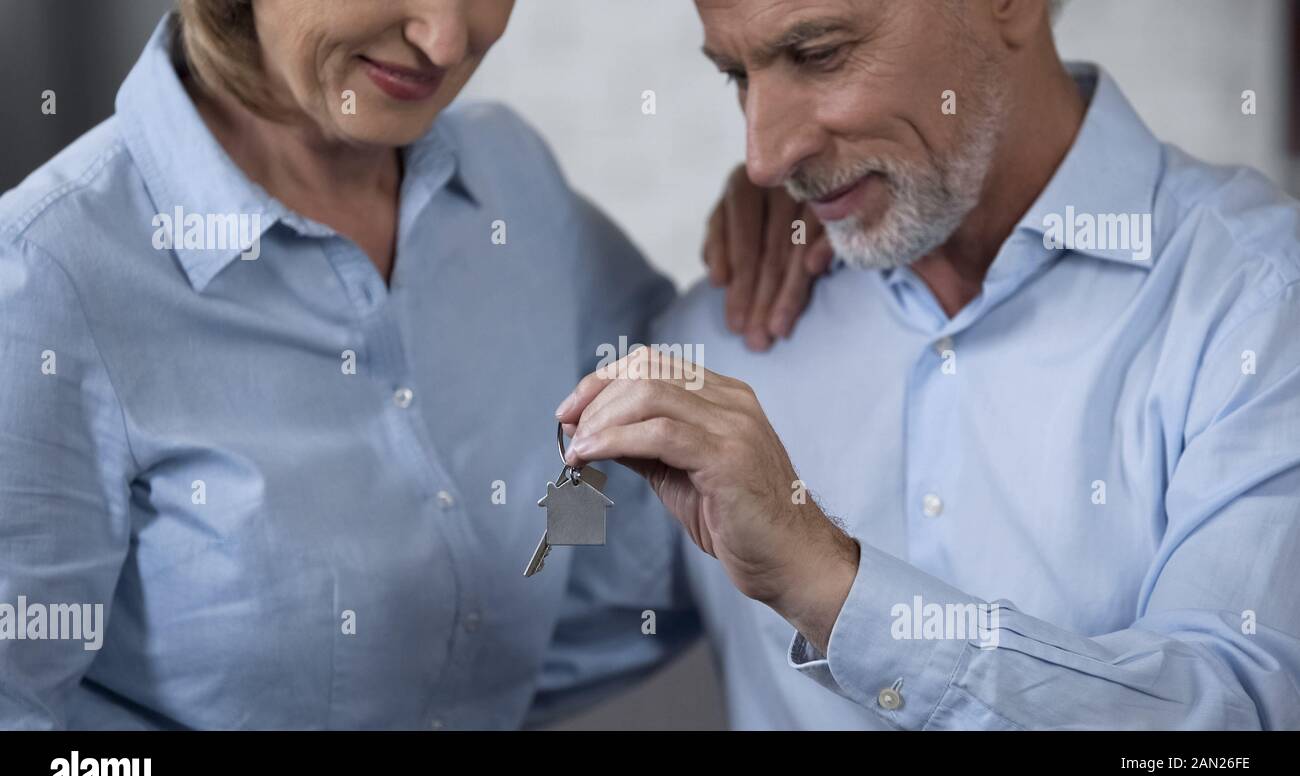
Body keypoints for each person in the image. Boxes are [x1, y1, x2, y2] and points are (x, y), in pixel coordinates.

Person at [0, 0, 819, 729]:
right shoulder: (48, 274)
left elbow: (695, 478)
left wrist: (805, 205)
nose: (445, 36)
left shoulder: (510, 183)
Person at [558, 0, 1300, 729]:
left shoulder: (1261, 304)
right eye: (737, 76)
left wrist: (828, 581)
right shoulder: (718, 335)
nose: (766, 156)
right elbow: (502, 655)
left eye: (819, 54)